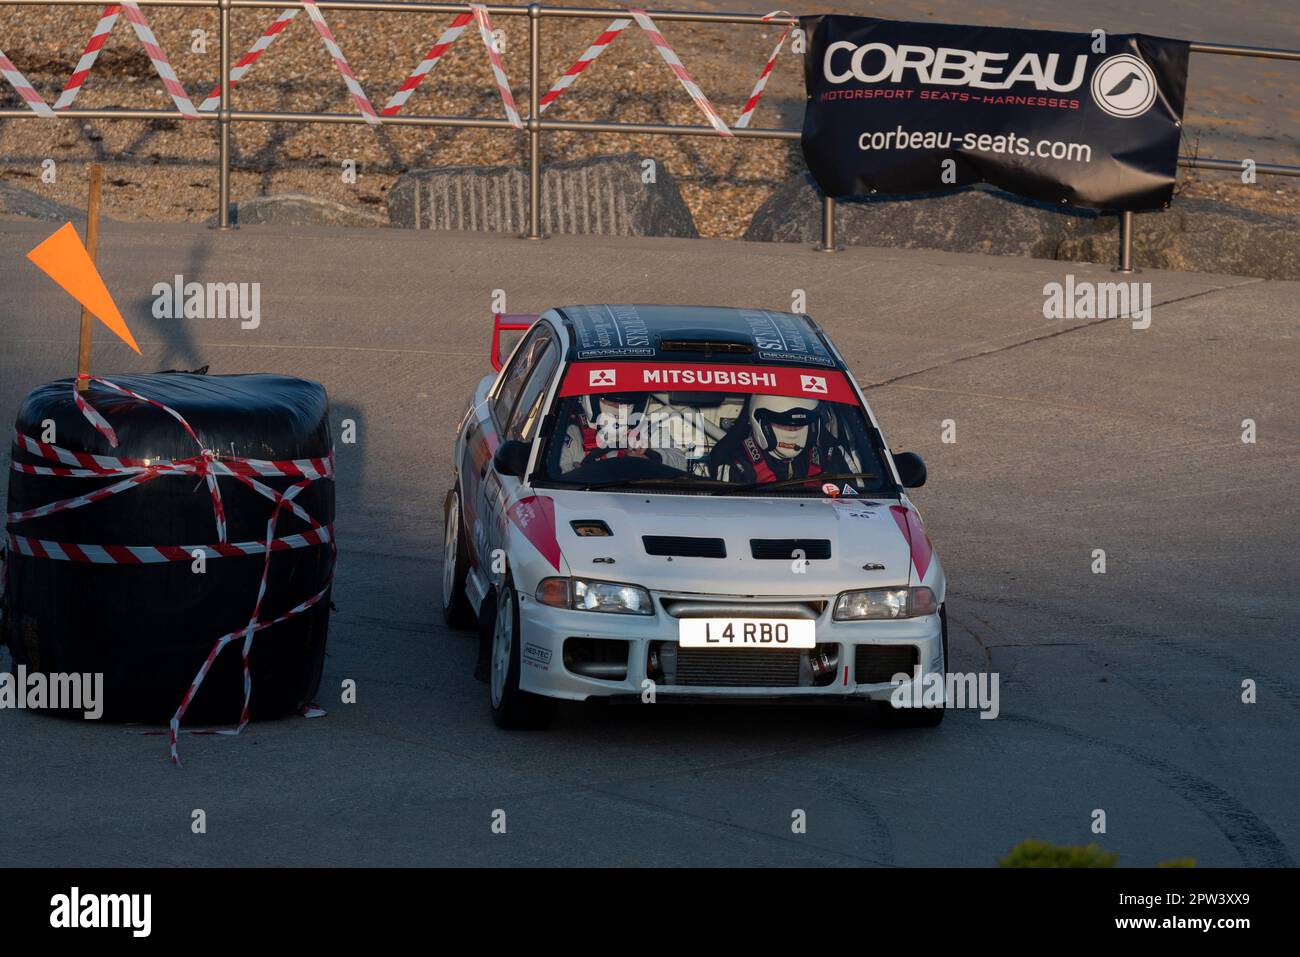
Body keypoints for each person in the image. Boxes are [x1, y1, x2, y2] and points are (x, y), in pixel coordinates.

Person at [710, 394, 853, 484]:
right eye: (782, 424)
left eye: (799, 425)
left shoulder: (829, 454)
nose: (792, 431)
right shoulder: (736, 462)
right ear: (762, 425)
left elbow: (855, 498)